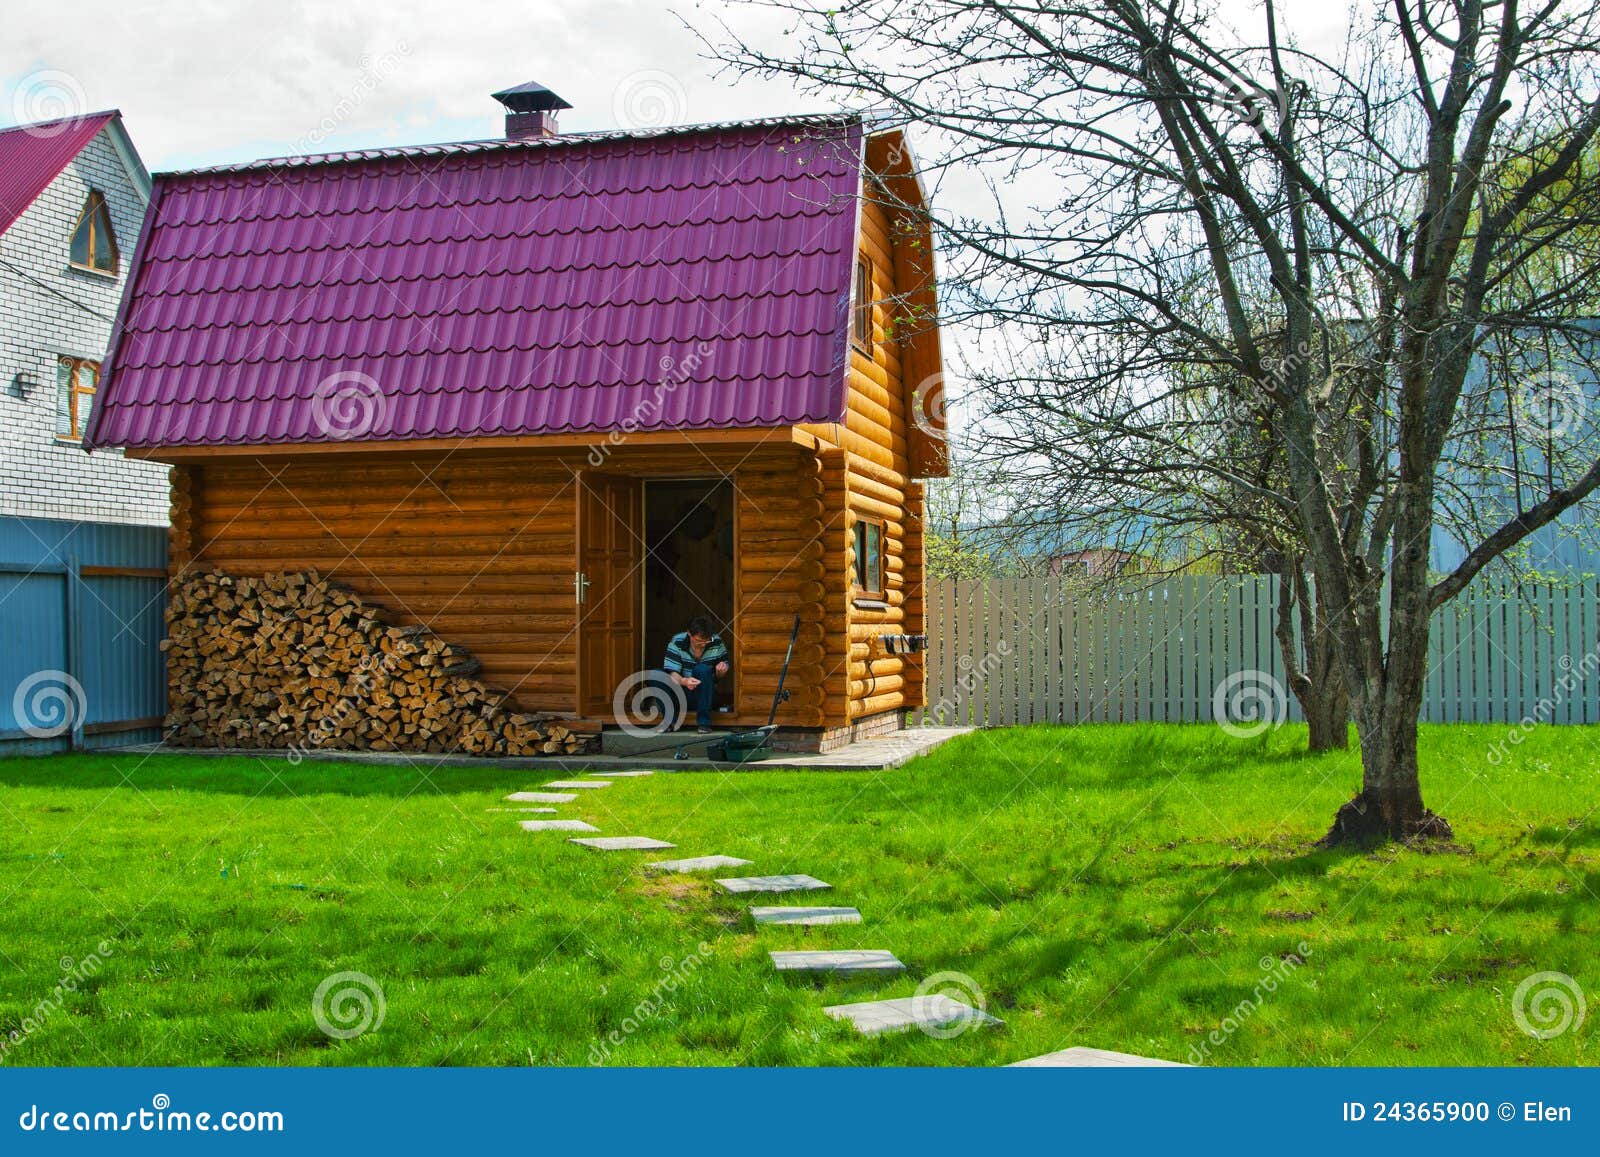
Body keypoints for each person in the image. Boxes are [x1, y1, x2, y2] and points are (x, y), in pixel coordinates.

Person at [664, 616, 730, 733]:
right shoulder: (677, 641)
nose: (704, 644)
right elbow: (672, 673)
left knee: (702, 669)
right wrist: (684, 681)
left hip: (707, 696)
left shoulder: (717, 642)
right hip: (683, 694)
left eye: (707, 640)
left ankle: (704, 724)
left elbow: (719, 675)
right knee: (656, 675)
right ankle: (670, 723)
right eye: (699, 640)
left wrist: (720, 672)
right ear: (689, 634)